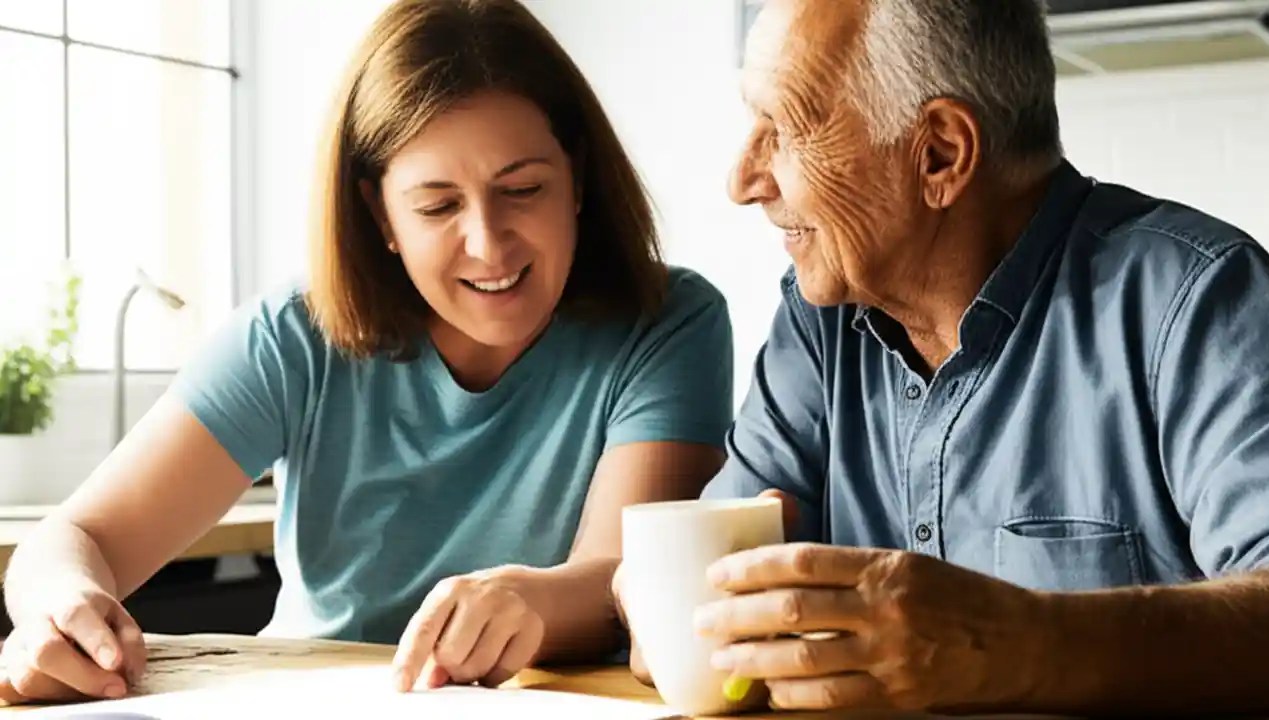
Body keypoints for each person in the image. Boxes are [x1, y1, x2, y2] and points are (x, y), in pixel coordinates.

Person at [0, 0, 733, 705]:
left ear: (577, 179)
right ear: (380, 214)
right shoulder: (292, 336)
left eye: (523, 189)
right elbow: (74, 538)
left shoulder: (667, 322)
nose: (488, 241)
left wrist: (526, 599)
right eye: (438, 206)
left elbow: (623, 584)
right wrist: (62, 608)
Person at [621, 0, 1269, 714]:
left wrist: (1023, 643)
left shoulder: (1204, 302)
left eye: (784, 129)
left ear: (939, 153)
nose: (744, 179)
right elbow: (713, 612)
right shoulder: (820, 322)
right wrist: (672, 611)